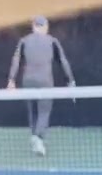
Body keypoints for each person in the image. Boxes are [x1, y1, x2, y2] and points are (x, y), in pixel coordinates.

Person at [5, 15, 75, 156]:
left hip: (28, 81)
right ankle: (38, 138)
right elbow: (63, 61)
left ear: (33, 26)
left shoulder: (24, 41)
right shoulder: (52, 41)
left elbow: (16, 60)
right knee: (44, 111)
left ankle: (35, 138)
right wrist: (70, 80)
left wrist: (11, 80)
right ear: (44, 27)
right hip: (45, 81)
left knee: (33, 111)